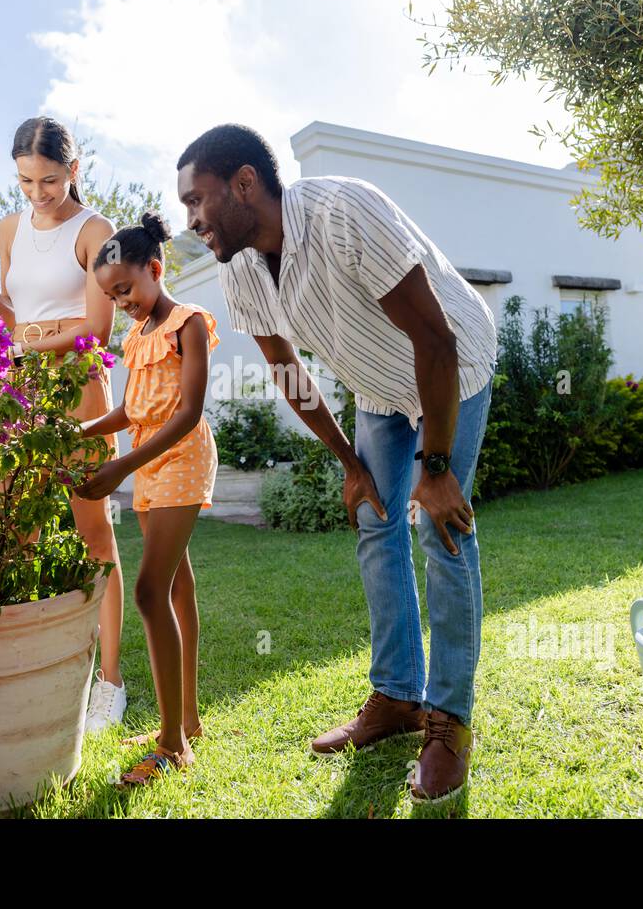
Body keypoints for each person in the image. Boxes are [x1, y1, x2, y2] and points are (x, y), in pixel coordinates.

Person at [177, 123, 498, 804]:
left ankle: (449, 722)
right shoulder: (240, 269)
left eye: (198, 200)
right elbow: (288, 373)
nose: (193, 219)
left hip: (454, 367)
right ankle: (398, 697)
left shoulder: (343, 211)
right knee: (374, 521)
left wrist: (434, 469)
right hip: (381, 389)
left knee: (437, 528)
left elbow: (435, 339)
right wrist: (349, 461)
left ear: (244, 183)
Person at [0, 116, 128, 732]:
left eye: (49, 180)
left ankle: (110, 683)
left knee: (93, 533)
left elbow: (96, 330)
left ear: (73, 171)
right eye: (26, 181)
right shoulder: (8, 228)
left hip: (78, 390)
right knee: (17, 531)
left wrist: (28, 335)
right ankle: (29, 665)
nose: (38, 193)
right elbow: (10, 320)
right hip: (21, 394)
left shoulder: (96, 231)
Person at [75, 210, 220, 787]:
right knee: (178, 585)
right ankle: (187, 722)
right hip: (148, 464)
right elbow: (131, 411)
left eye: (127, 289)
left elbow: (187, 413)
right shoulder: (135, 339)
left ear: (155, 269)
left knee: (147, 590)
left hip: (182, 459)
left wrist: (119, 467)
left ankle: (171, 746)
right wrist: (80, 435)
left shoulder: (189, 323)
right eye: (112, 296)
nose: (123, 303)